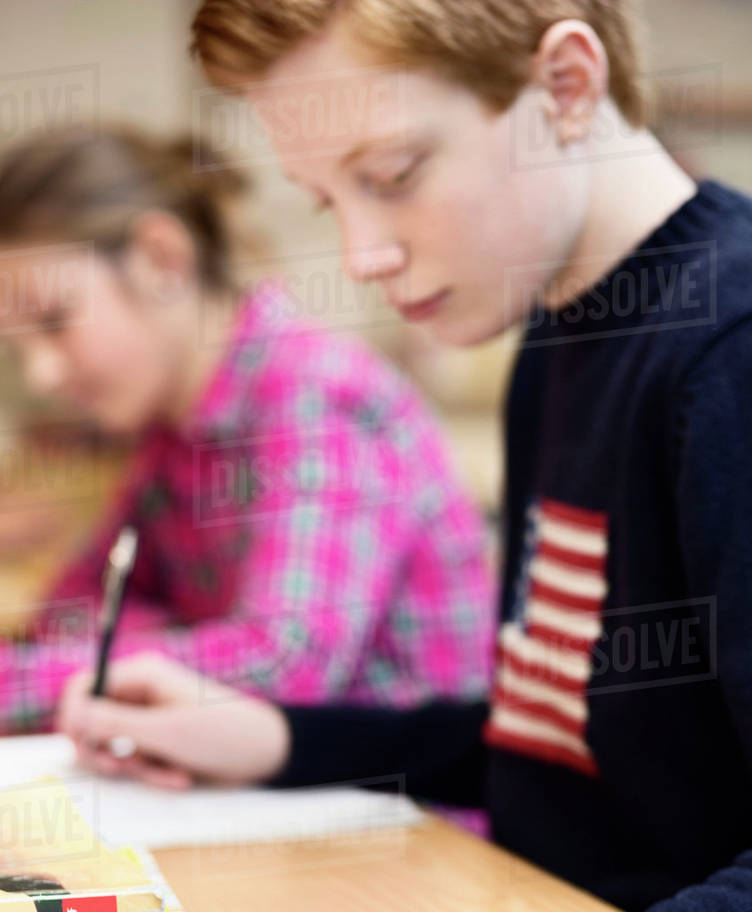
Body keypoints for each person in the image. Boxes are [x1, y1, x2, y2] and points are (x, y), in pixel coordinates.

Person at [58, 0, 752, 912]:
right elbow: (570, 737)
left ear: (564, 84)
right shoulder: (561, 330)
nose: (359, 253)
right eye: (324, 200)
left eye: (392, 174)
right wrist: (280, 738)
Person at [0, 124, 493, 738]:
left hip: (411, 813)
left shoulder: (314, 394)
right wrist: (190, 647)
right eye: (19, 350)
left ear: (162, 258)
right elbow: (68, 614)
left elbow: (283, 666)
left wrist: (38, 678)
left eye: (54, 322)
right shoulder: (169, 432)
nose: (42, 375)